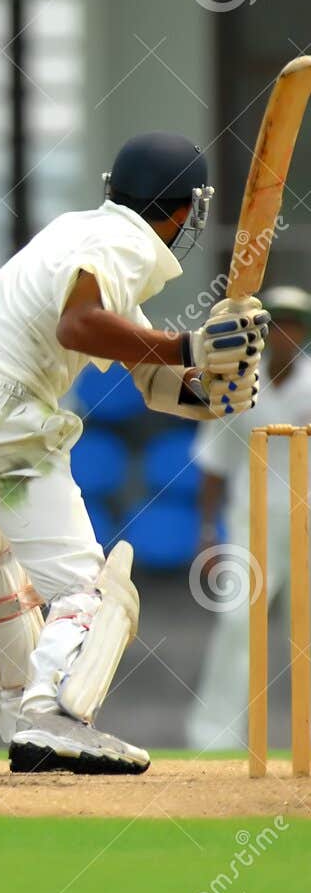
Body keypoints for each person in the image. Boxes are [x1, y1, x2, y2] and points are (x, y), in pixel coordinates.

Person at [0, 132, 268, 776]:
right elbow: (80, 326)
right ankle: (54, 716)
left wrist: (218, 389)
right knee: (94, 592)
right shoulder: (123, 243)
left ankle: (23, 716)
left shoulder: (80, 233)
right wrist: (190, 347)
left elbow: (151, 378)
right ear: (184, 209)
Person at [186, 285, 311, 752]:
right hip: (249, 525)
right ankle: (214, 740)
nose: (285, 334)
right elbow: (214, 464)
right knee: (238, 625)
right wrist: (206, 533)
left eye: (294, 324)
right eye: (276, 324)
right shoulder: (237, 385)